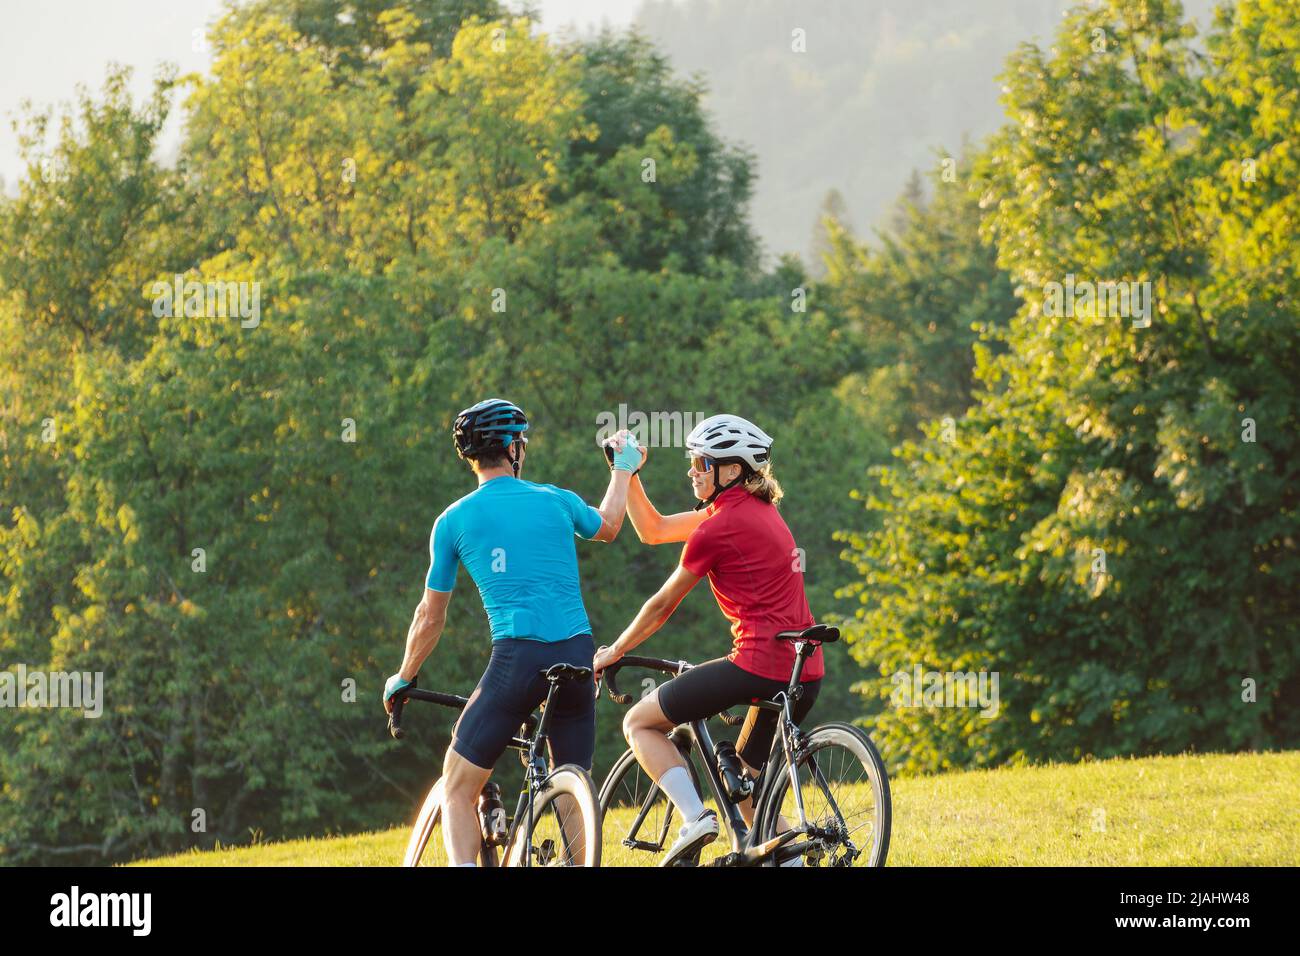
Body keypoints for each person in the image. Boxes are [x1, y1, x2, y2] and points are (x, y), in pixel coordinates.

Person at [383, 399, 644, 866]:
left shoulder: (453, 520)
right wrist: (622, 469)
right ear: (512, 446)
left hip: (517, 660)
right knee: (571, 780)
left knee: (459, 785)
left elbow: (430, 616)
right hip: (576, 652)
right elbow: (608, 526)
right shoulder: (556, 499)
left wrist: (404, 675)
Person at [592, 413, 824, 865]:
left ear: (731, 470)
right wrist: (630, 474)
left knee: (638, 722)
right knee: (746, 793)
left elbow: (662, 605)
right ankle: (790, 859)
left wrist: (616, 650)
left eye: (701, 463)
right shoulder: (753, 511)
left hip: (757, 666)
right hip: (804, 669)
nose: (692, 471)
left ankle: (696, 818)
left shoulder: (718, 528)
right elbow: (653, 530)